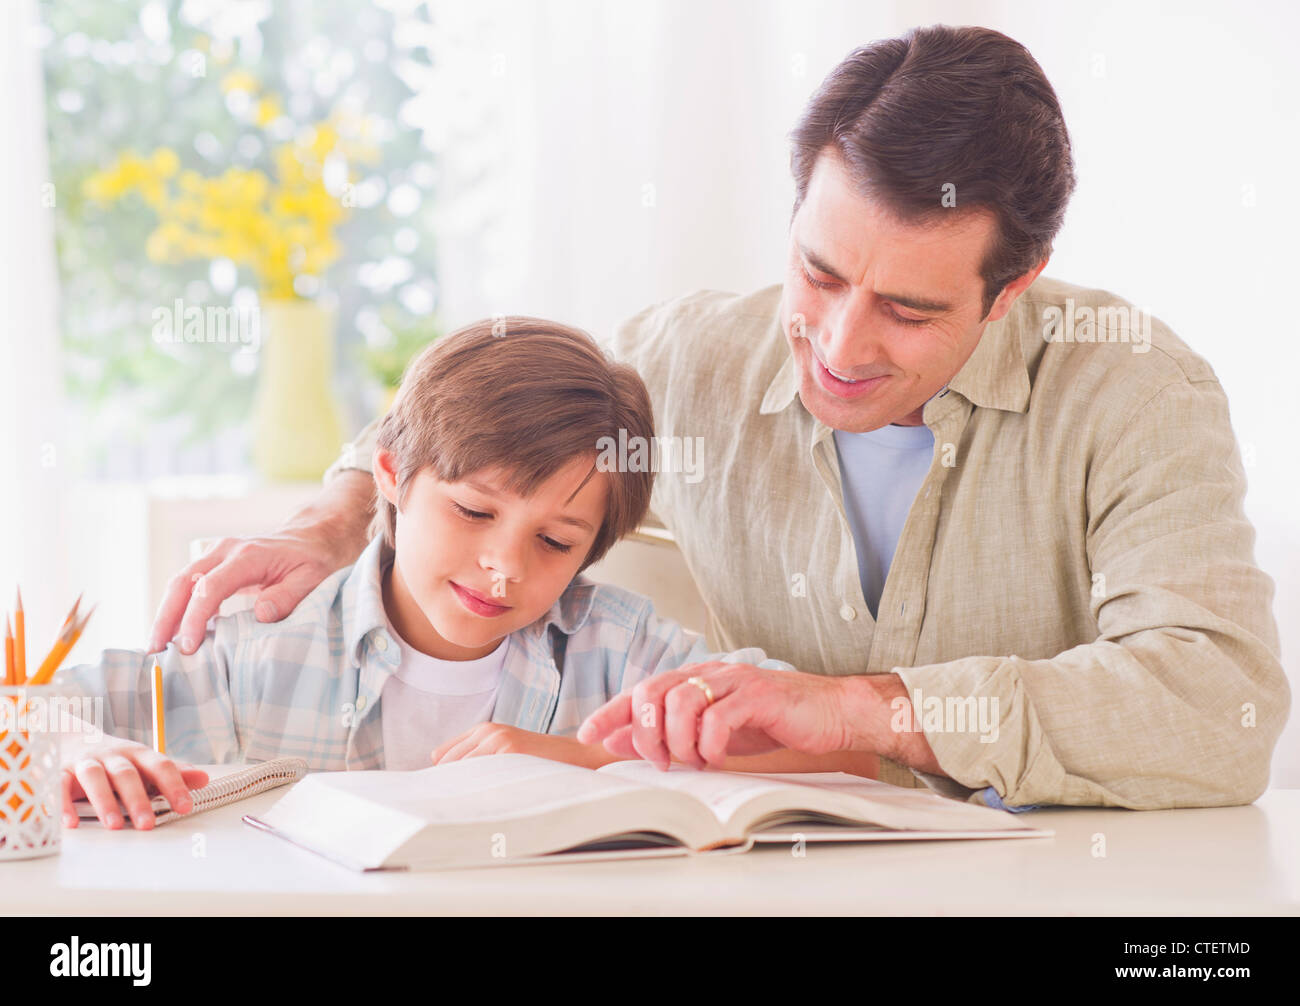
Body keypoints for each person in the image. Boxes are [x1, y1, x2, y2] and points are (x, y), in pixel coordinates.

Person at [148, 25, 1288, 812]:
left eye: (906, 307)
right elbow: (458, 410)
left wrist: (865, 708)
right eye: (819, 271)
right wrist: (333, 522)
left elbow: (1219, 704)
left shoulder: (1135, 393)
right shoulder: (688, 359)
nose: (840, 347)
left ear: (1016, 281)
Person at [60, 318, 873, 831]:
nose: (503, 566)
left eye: (555, 542)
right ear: (389, 476)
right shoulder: (268, 643)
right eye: (474, 513)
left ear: (592, 550)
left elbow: (846, 757)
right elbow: (26, 709)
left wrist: (579, 760)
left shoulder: (619, 649)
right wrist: (84, 747)